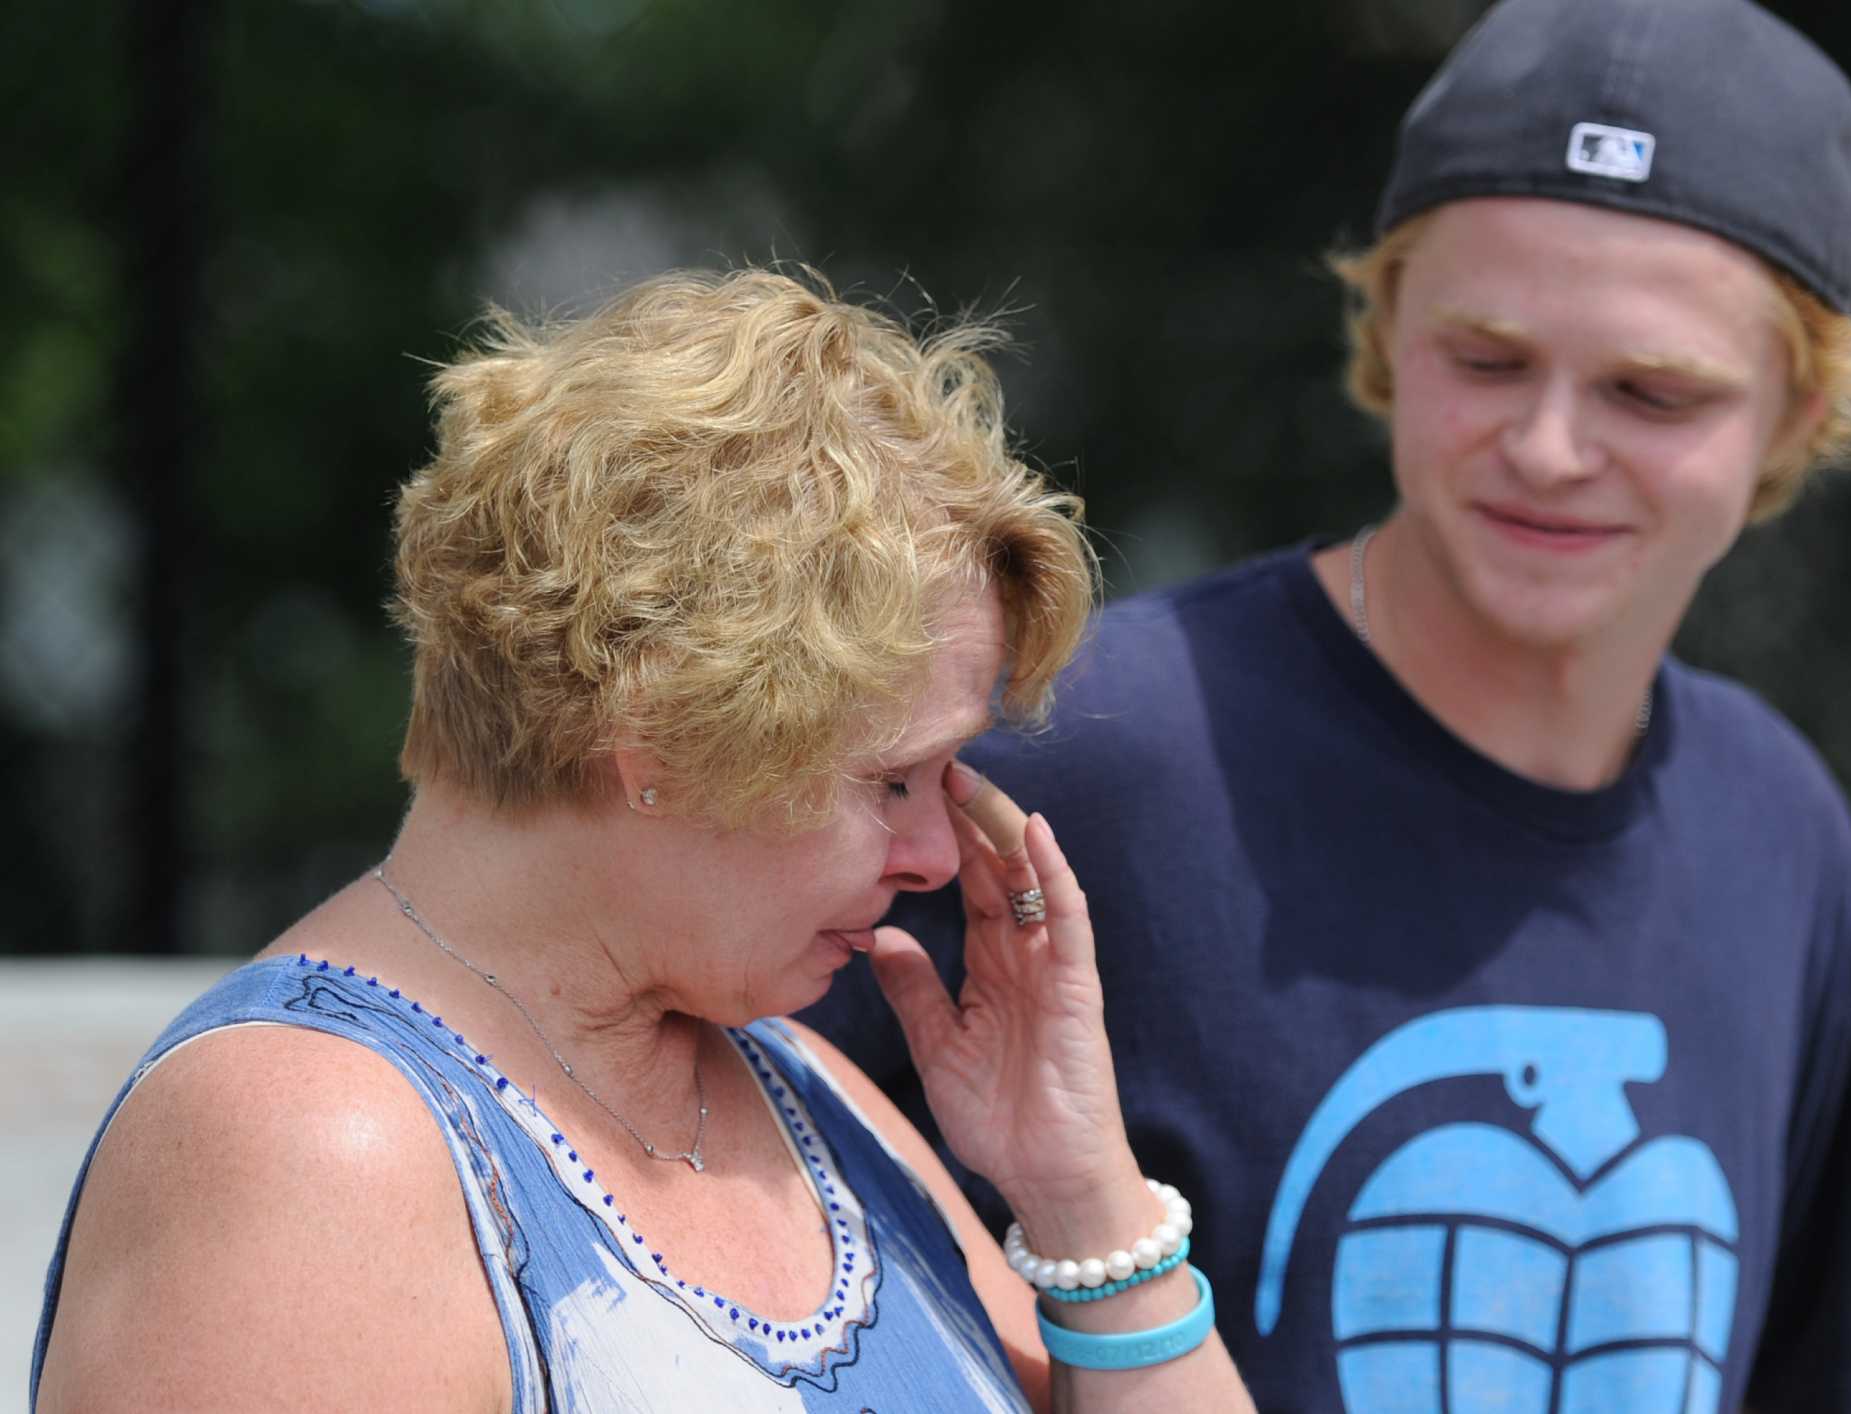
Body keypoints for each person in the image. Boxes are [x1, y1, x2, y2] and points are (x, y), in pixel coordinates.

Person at [802, 1, 1851, 1410]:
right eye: (1488, 359)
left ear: (1801, 416)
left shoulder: (1784, 837)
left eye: (1652, 392)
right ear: (1389, 332)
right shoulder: (1078, 759)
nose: (1551, 447)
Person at [30, 269, 1258, 1413]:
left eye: (948, 776)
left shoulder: (802, 1089)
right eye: (890, 781)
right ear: (660, 733)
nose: (939, 856)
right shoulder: (313, 1153)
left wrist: (1080, 1191)